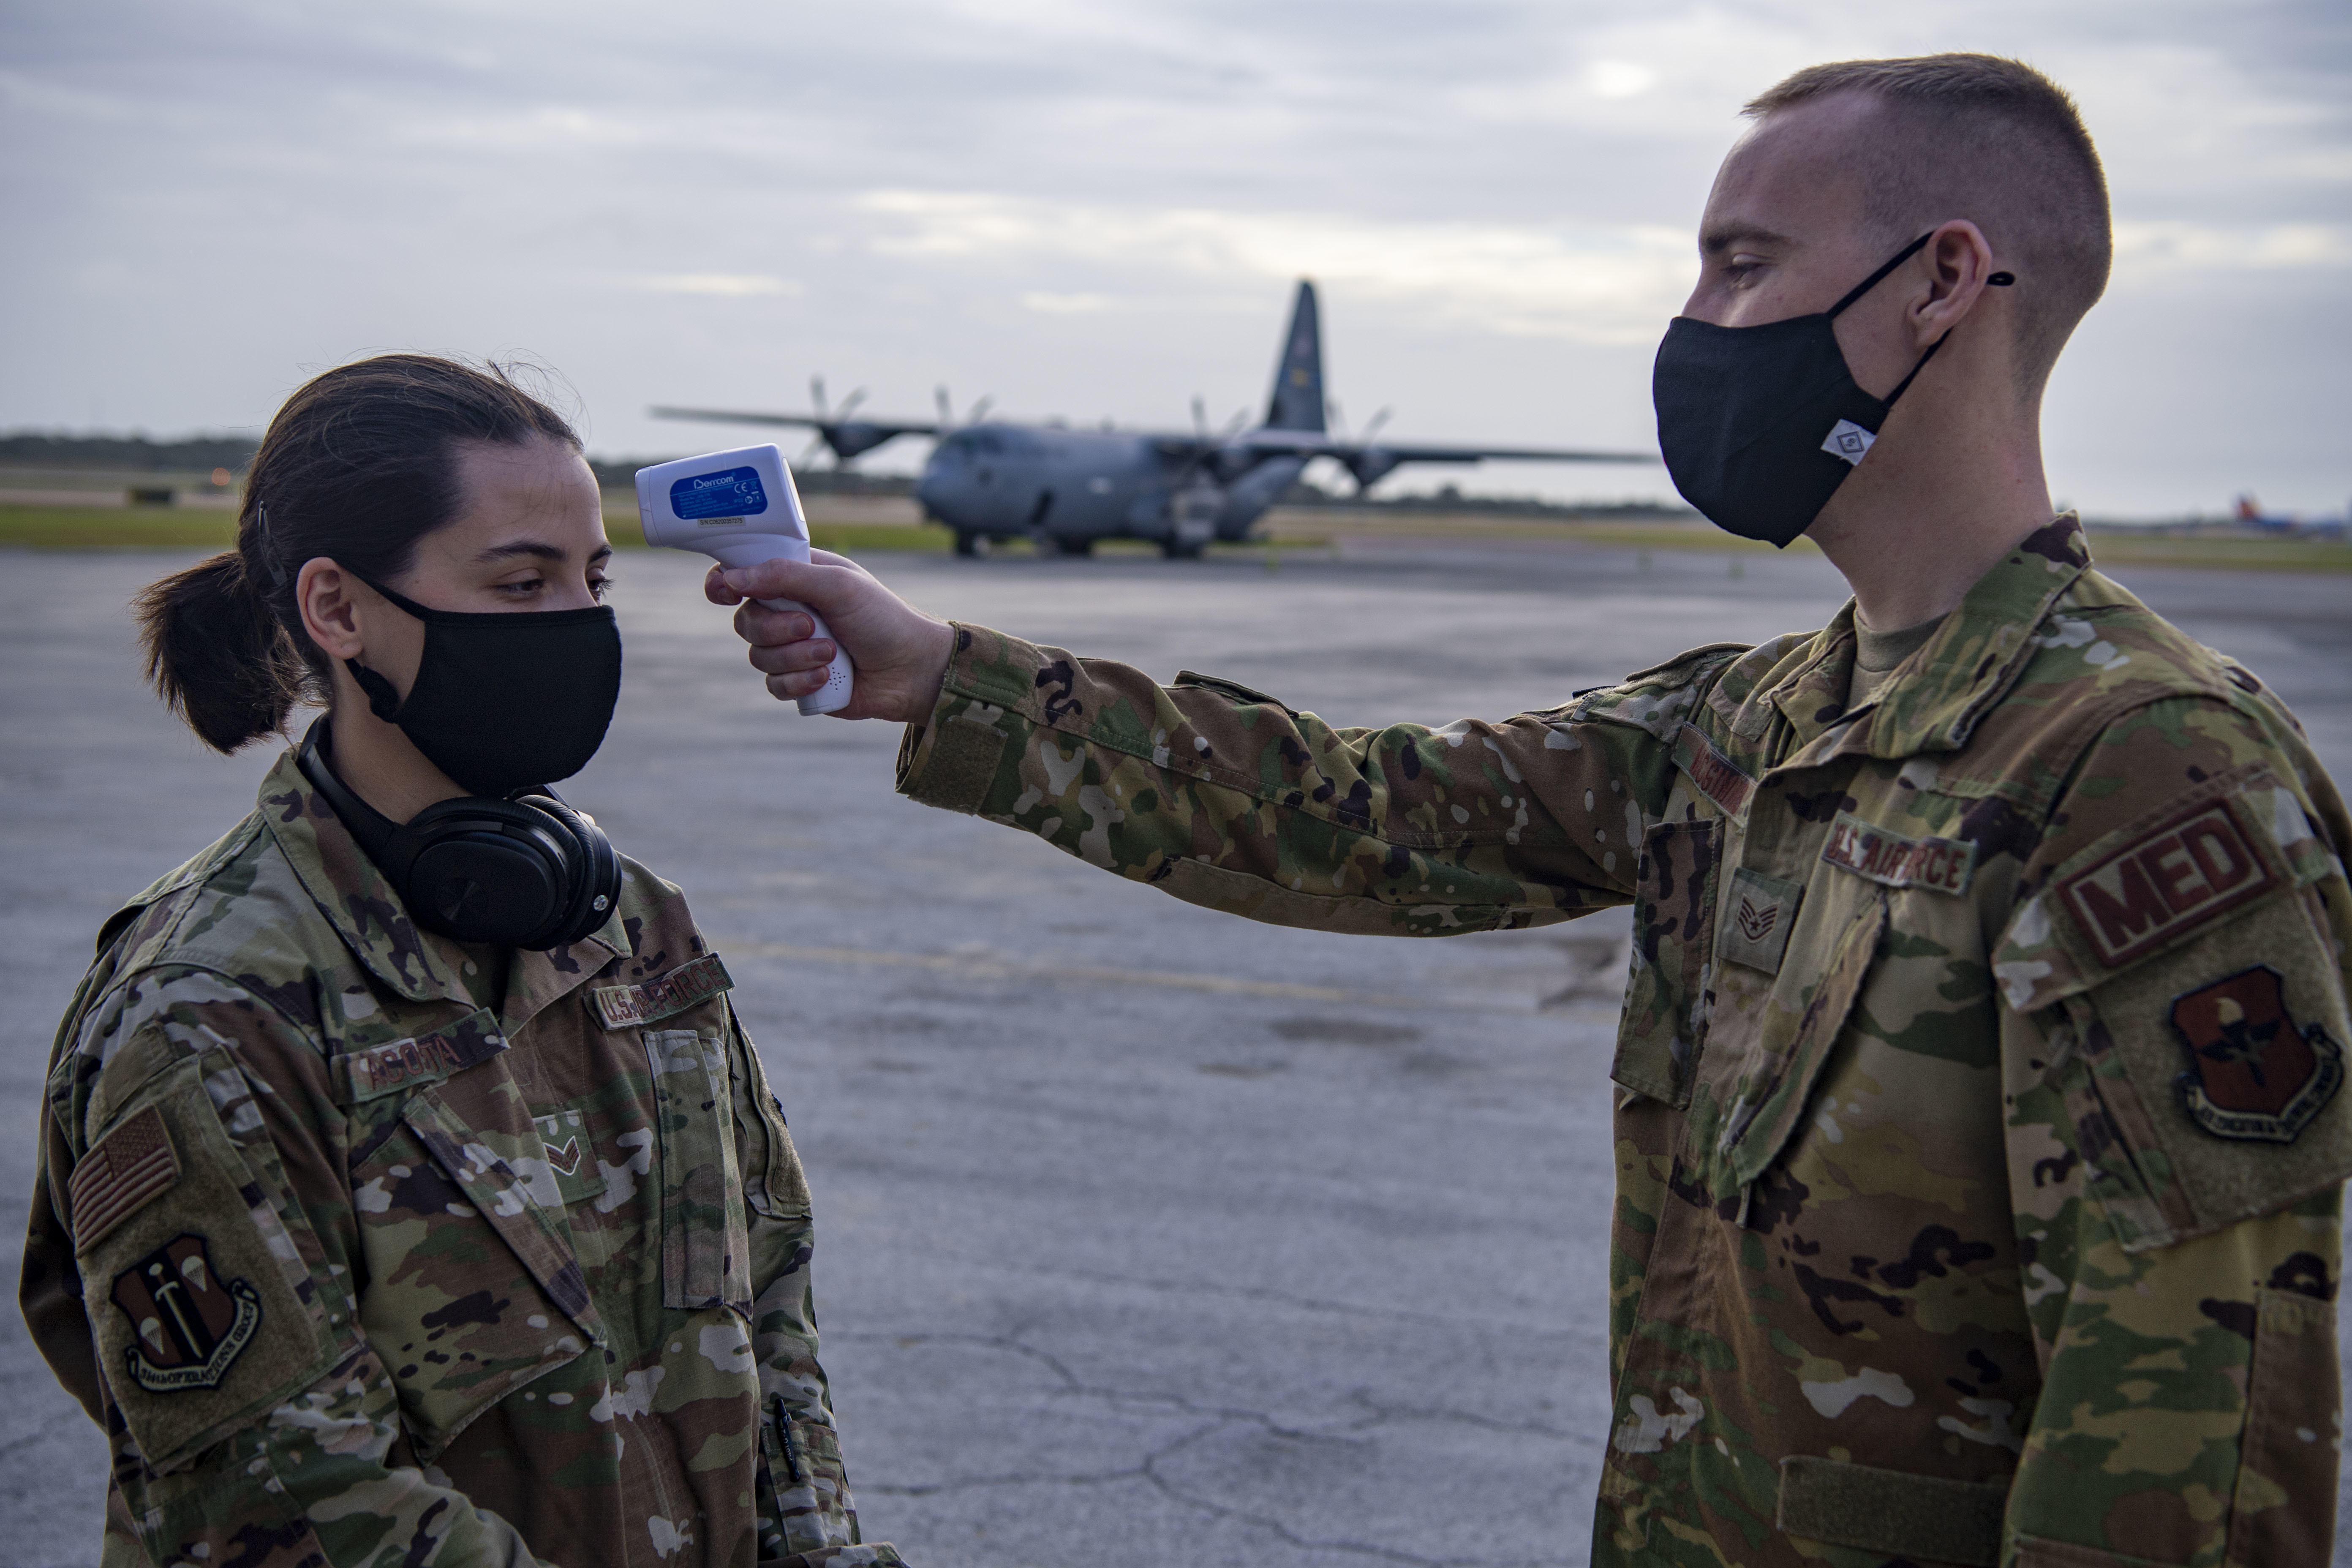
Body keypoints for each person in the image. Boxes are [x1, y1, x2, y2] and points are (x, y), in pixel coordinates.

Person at [706, 54, 2352, 1568]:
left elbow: (2186, 1463)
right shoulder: (1757, 719)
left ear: (1942, 282)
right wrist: (945, 676)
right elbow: (1362, 812)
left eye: (1743, 264)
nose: (1698, 325)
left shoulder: (2141, 768)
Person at [20, 355, 903, 1568]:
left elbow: (774, 1326)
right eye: (521, 582)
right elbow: (292, 1505)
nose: (578, 625)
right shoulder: (208, 1009)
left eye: (590, 579)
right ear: (336, 610)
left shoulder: (636, 927)